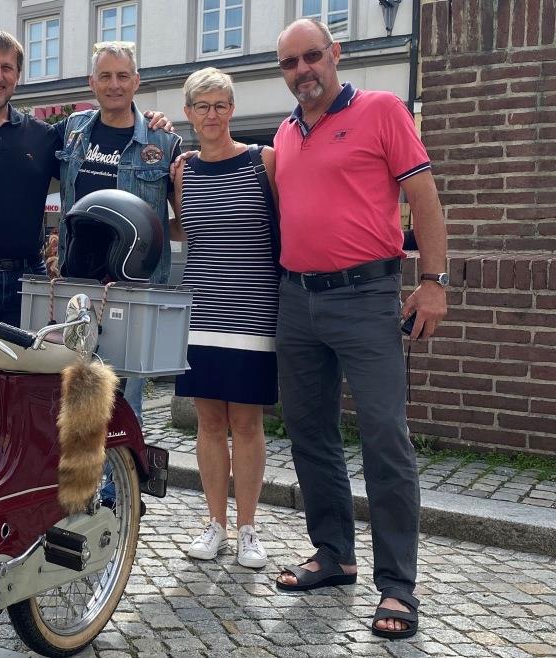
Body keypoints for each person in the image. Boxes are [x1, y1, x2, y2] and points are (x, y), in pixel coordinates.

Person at [0, 31, 169, 475]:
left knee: (30, 392)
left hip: (28, 282)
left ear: (18, 76)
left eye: (7, 68)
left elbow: (100, 147)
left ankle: (21, 485)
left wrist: (149, 122)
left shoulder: (44, 136)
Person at [271, 19, 447, 640]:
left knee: (384, 436)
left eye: (311, 56)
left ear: (335, 54)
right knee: (309, 432)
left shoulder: (381, 110)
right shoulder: (285, 133)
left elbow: (424, 197)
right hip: (297, 300)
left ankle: (397, 584)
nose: (302, 70)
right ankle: (334, 554)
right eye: (290, 63)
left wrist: (434, 280)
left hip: (366, 296)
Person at [169, 68, 277, 569]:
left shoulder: (263, 161)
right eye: (202, 106)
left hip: (253, 310)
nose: (211, 115)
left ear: (232, 109)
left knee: (247, 422)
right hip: (201, 310)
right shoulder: (182, 171)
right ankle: (215, 523)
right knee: (210, 421)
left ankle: (249, 528)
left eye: (220, 105)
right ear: (188, 113)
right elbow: (183, 230)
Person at [54, 41, 182, 423]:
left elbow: (184, 224)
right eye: (106, 76)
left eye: (123, 76)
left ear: (136, 82)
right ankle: (80, 465)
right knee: (73, 398)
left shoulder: (164, 141)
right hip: (76, 289)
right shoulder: (71, 132)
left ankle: (122, 467)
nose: (114, 84)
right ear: (91, 82)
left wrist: (146, 237)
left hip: (135, 292)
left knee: (126, 406)